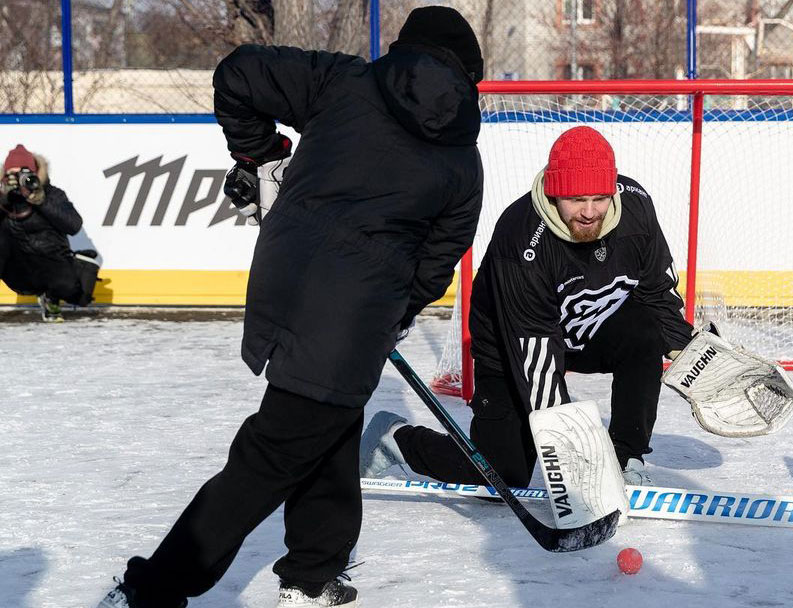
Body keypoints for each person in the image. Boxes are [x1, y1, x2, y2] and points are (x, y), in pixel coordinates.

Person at [97, 7, 484, 608]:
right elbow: (438, 260)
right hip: (353, 318)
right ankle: (152, 591)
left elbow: (237, 74)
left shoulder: (346, 80)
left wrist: (262, 153)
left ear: (405, 49)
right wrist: (393, 310)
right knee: (271, 454)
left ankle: (311, 571)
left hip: (284, 278)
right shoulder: (463, 161)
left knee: (329, 424)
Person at [360, 126, 694, 490]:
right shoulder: (522, 241)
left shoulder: (634, 207)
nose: (588, 212)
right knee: (503, 476)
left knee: (644, 329)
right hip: (511, 350)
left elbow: (658, 291)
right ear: (554, 193)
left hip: (585, 329)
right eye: (576, 200)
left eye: (599, 198)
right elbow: (537, 363)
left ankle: (625, 455)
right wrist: (573, 453)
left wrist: (694, 357)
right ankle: (396, 440)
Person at [0, 144, 99, 322]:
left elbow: (74, 225)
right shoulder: (3, 199)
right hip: (15, 268)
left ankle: (51, 299)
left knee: (74, 291)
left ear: (34, 172)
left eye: (23, 174)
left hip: (49, 262)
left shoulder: (52, 194)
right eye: (12, 175)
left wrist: (41, 201)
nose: (18, 180)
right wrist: (2, 200)